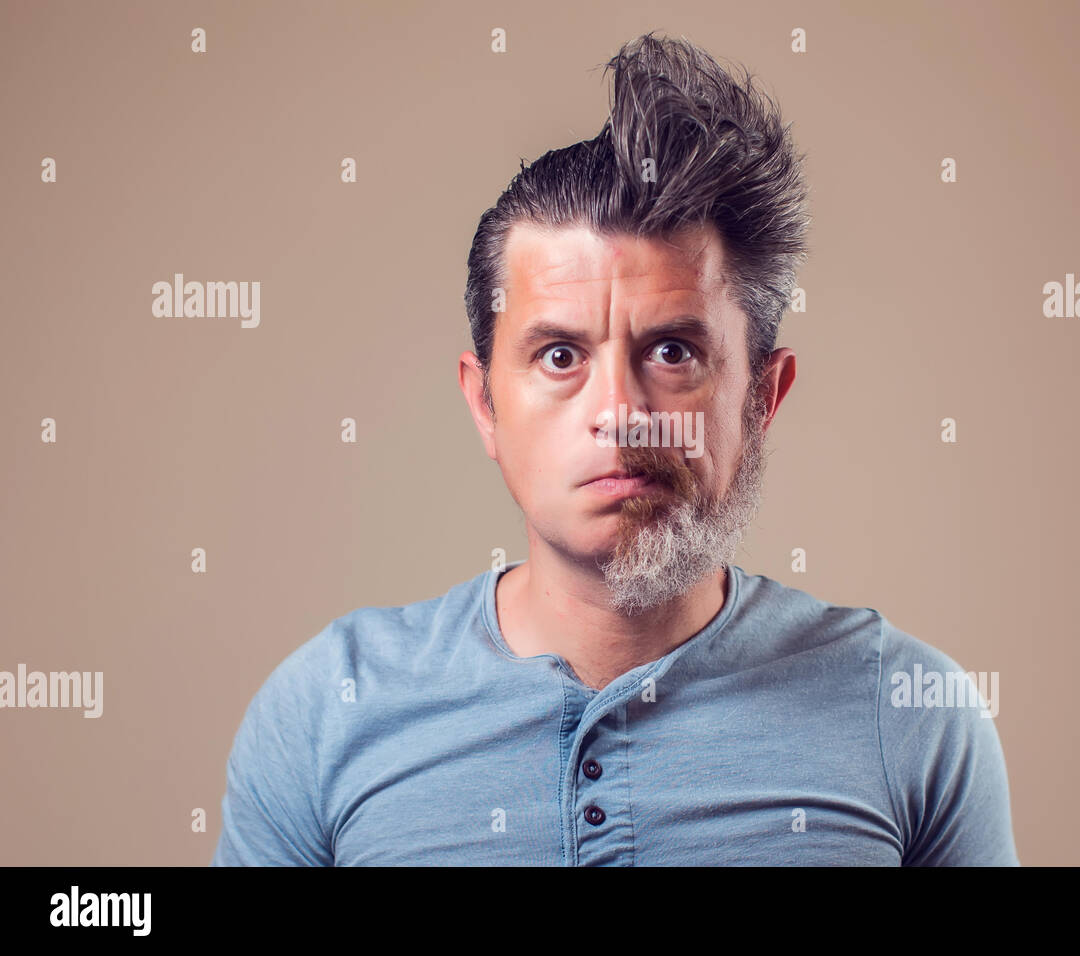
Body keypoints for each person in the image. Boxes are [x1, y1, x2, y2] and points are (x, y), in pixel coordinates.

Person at [212, 31, 1018, 866]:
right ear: (485, 403)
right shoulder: (325, 711)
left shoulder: (911, 716)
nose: (622, 414)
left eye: (673, 352)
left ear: (762, 399)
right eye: (559, 356)